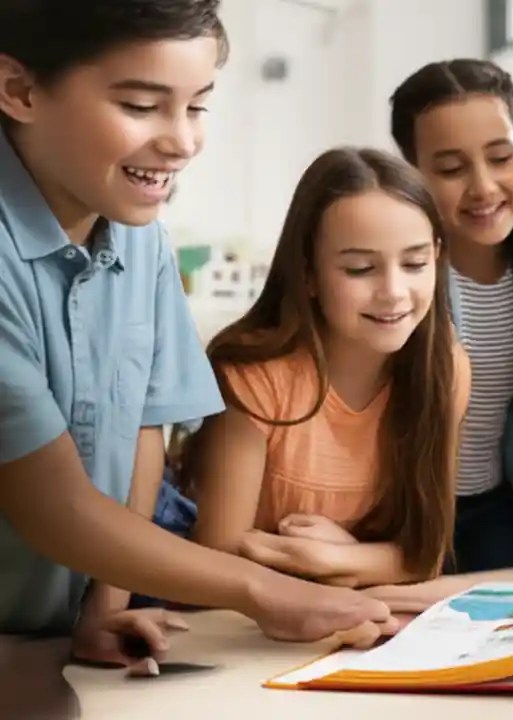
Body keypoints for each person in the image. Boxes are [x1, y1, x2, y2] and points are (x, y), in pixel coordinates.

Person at [0, 0, 393, 669]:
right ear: (20, 90)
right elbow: (51, 504)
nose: (182, 140)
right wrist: (262, 591)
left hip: (55, 640)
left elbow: (144, 426)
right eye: (141, 105)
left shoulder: (140, 236)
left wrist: (106, 606)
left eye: (198, 105)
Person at [185, 147, 469, 590]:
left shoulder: (446, 367)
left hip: (360, 620)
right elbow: (216, 557)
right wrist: (351, 564)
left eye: (415, 264)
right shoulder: (255, 376)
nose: (393, 292)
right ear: (309, 274)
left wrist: (341, 559)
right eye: (360, 269)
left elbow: (424, 555)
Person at [389, 58, 513, 570]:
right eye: (450, 169)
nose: (484, 187)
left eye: (500, 157)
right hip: (400, 508)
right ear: (411, 175)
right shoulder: (399, 278)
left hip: (495, 501)